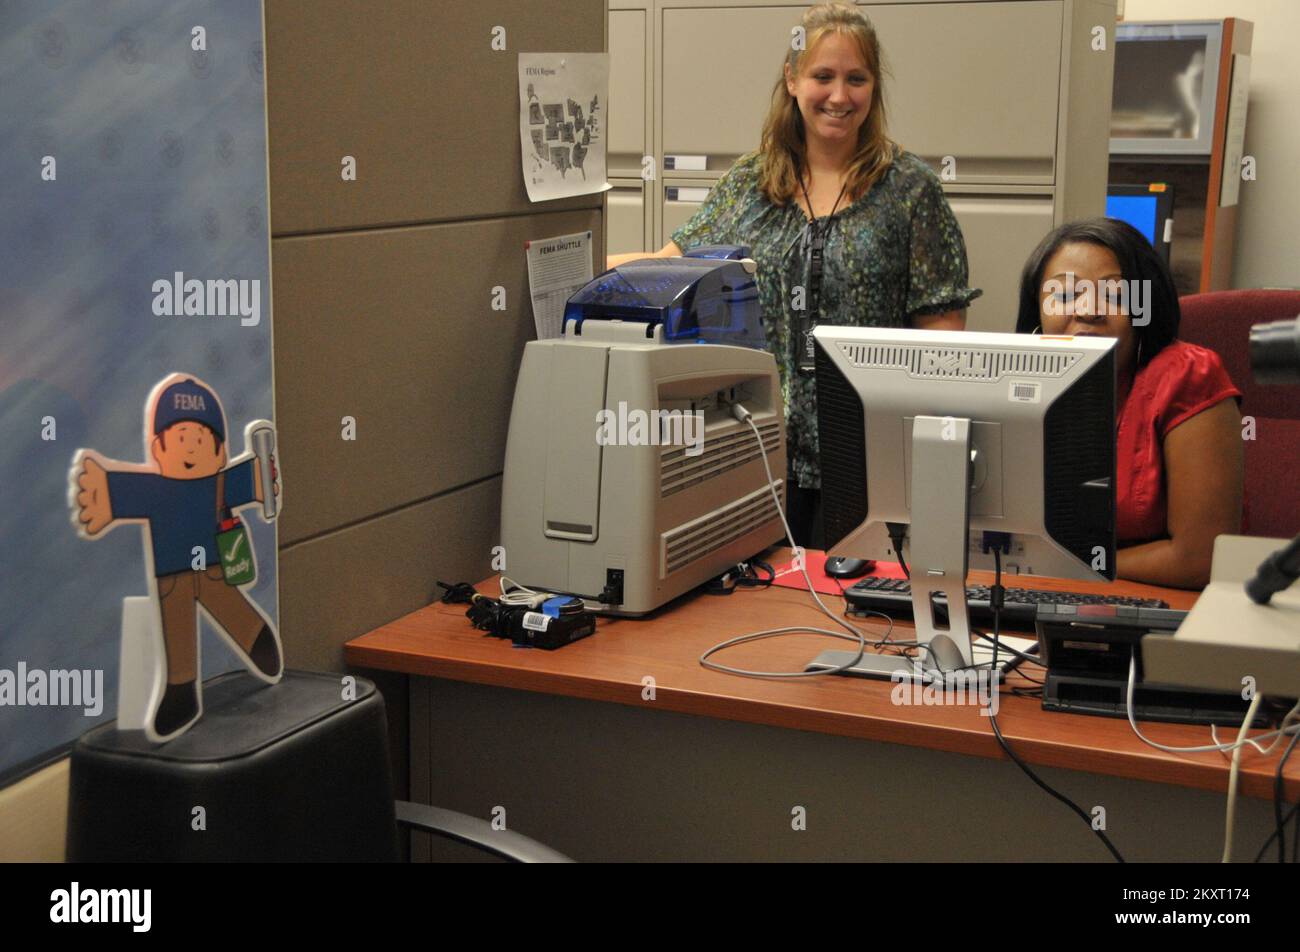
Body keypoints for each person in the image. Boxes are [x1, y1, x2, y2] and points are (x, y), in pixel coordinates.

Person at [607, 2, 978, 547]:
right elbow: (670, 266)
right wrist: (579, 266)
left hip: (869, 468)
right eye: (823, 76)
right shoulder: (751, 182)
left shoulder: (910, 190)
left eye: (857, 79)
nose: (839, 96)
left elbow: (942, 342)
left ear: (874, 87)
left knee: (857, 615)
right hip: (756, 454)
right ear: (793, 79)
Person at [1015, 218, 1244, 589]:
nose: (1088, 310)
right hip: (1034, 595)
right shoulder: (1015, 378)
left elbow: (1199, 558)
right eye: (1065, 295)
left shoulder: (1189, 376)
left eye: (1115, 295)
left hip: (1158, 608)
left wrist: (1072, 565)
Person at [73, 375, 284, 738]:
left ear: (219, 451)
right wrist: (103, 493)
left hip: (214, 566)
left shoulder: (218, 482)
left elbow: (253, 479)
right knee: (178, 629)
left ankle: (256, 637)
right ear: (158, 448)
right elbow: (118, 492)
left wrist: (265, 480)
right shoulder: (153, 489)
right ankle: (181, 690)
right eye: (181, 438)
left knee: (227, 604)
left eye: (200, 439)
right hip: (171, 575)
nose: (190, 448)